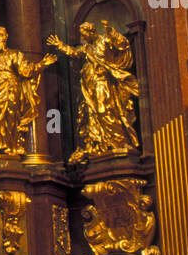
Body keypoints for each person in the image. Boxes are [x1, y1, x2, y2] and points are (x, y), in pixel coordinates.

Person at [47, 21, 140, 164]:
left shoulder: (104, 41)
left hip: (102, 83)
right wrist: (60, 45)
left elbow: (122, 44)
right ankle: (99, 145)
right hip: (89, 87)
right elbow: (74, 52)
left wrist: (111, 31)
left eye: (85, 35)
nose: (83, 38)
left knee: (105, 111)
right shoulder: (87, 48)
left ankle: (118, 141)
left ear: (92, 32)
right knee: (90, 115)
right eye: (82, 36)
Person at [0, 26, 56, 156]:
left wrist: (42, 63)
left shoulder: (14, 54)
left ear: (6, 37)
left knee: (10, 118)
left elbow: (26, 71)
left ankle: (8, 146)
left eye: (1, 35)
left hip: (11, 89)